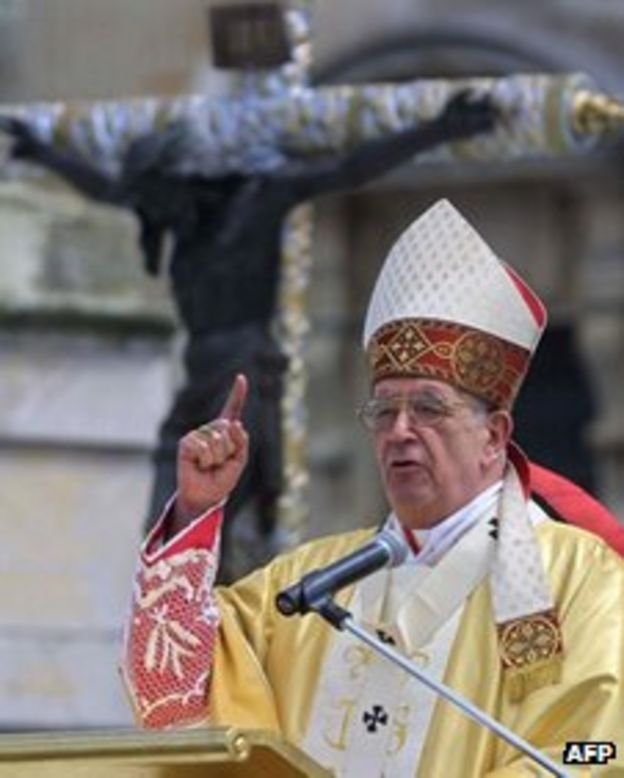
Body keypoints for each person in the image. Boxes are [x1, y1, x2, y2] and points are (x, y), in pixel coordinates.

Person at [121, 199, 624, 776]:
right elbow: (172, 697)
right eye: (384, 412)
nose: (400, 432)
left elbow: (603, 751)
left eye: (429, 409)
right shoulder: (301, 589)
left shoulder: (583, 580)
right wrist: (196, 511)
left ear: (494, 434)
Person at [0, 93, 497, 578]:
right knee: (168, 521)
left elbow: (349, 169)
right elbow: (111, 190)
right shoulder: (181, 213)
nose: (149, 210)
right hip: (199, 373)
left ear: (183, 177)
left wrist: (441, 129)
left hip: (243, 371)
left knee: (224, 512)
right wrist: (45, 153)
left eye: (153, 196)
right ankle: (189, 608)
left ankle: (225, 610)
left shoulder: (259, 197)